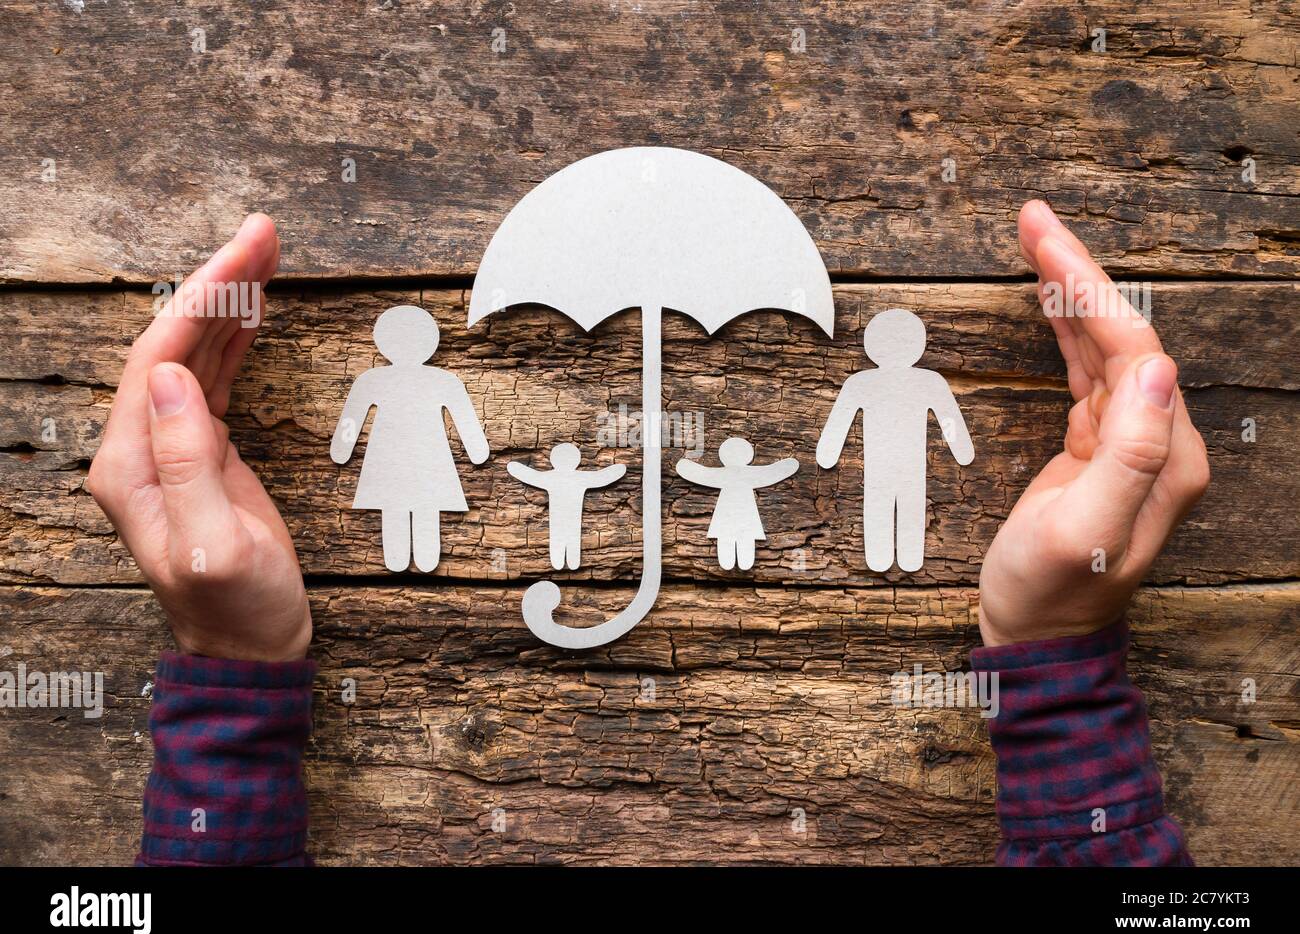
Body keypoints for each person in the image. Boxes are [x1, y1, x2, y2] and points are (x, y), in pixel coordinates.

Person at [86, 201, 1208, 865]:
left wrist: (232, 677)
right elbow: (432, 428)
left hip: (877, 492)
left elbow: (837, 438)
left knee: (889, 509)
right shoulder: (399, 388)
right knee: (414, 516)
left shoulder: (891, 393)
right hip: (417, 474)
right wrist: (1057, 648)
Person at [331, 305, 489, 573]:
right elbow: (466, 423)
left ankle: (408, 559)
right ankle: (417, 559)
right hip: (425, 456)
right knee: (417, 503)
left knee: (398, 505)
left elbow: (350, 421)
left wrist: (342, 449)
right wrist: (477, 450)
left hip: (395, 457)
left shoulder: (373, 379)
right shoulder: (443, 380)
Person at [816, 308, 974, 573]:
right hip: (904, 464)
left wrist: (828, 453)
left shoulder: (862, 382)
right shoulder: (927, 381)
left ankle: (887, 557)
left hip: (887, 463)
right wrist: (962, 450)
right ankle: (902, 557)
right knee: (903, 501)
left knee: (881, 502)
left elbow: (838, 424)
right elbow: (950, 421)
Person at [675, 437, 799, 571]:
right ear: (749, 455)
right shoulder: (749, 474)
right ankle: (737, 562)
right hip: (744, 513)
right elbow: (772, 472)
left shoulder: (724, 474)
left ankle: (732, 562)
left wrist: (686, 466)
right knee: (742, 536)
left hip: (728, 513)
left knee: (729, 536)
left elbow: (702, 473)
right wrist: (788, 465)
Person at [506, 443, 625, 570]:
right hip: (572, 517)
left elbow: (532, 476)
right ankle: (570, 561)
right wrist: (618, 469)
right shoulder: (580, 477)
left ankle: (561, 561)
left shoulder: (551, 477)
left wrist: (514, 467)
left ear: (553, 460)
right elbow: (600, 477)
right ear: (577, 460)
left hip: (559, 518)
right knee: (571, 535)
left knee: (559, 536)